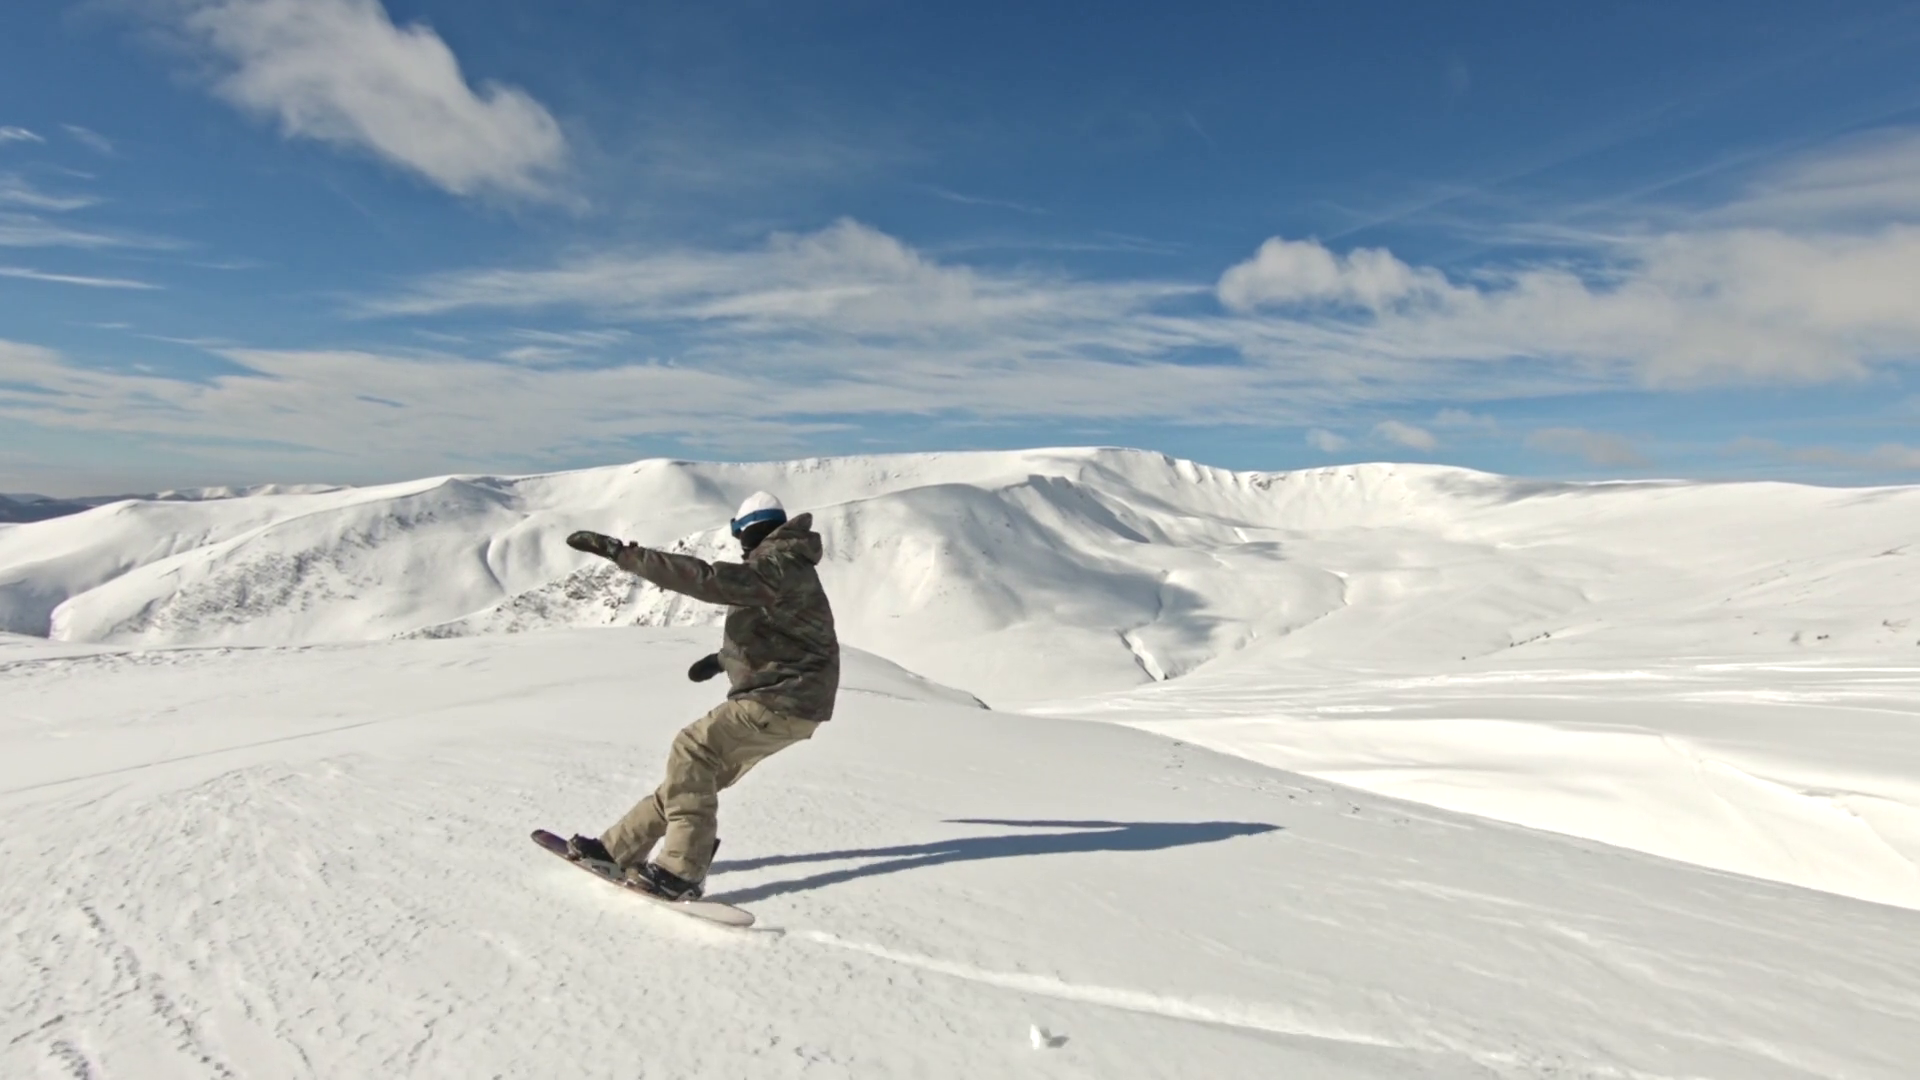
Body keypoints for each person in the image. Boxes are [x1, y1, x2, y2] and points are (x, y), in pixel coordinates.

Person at [560, 491, 839, 900]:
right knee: (688, 780)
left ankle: (683, 872)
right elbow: (788, 635)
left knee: (692, 750)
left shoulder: (777, 565)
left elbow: (705, 579)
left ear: (748, 533)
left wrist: (625, 555)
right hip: (793, 701)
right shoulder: (787, 565)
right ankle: (615, 849)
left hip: (783, 699)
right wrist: (724, 659)